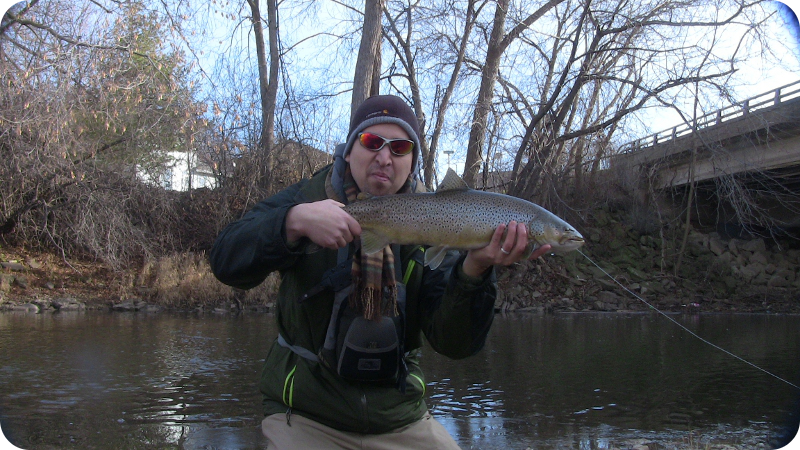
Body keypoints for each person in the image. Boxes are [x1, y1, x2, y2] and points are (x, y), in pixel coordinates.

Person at [209, 94, 550, 449]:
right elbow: (225, 260)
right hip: (305, 415)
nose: (384, 157)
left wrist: (475, 270)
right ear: (349, 148)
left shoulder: (442, 220)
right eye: (372, 142)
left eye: (400, 147)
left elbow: (455, 345)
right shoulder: (307, 198)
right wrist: (292, 222)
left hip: (400, 417)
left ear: (413, 160)